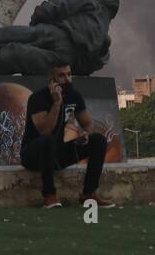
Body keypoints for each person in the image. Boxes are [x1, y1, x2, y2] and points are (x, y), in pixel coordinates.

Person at [20, 61, 116, 209]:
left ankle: (88, 194)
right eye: (61, 76)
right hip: (34, 155)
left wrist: (85, 134)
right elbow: (44, 130)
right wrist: (57, 103)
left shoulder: (73, 95)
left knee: (98, 140)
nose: (68, 79)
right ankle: (49, 196)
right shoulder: (38, 98)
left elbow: (88, 123)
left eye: (69, 74)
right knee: (48, 140)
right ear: (52, 80)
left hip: (57, 153)